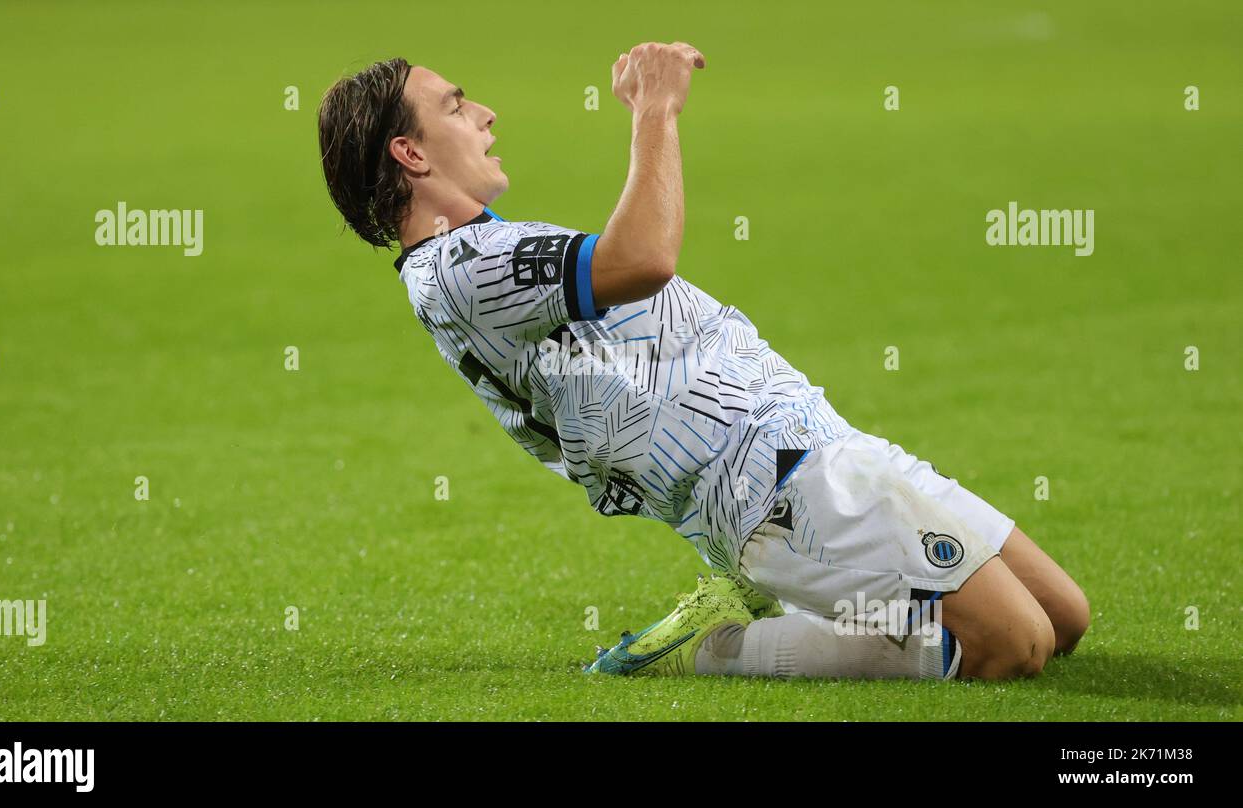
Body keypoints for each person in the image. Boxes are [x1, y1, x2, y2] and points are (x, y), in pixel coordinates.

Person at [315, 43, 1089, 681]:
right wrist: (655, 110)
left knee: (1063, 618)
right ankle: (718, 647)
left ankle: (813, 604)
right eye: (454, 105)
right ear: (410, 152)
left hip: (812, 442)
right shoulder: (460, 267)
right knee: (1009, 647)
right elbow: (644, 257)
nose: (484, 114)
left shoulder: (471, 252)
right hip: (772, 487)